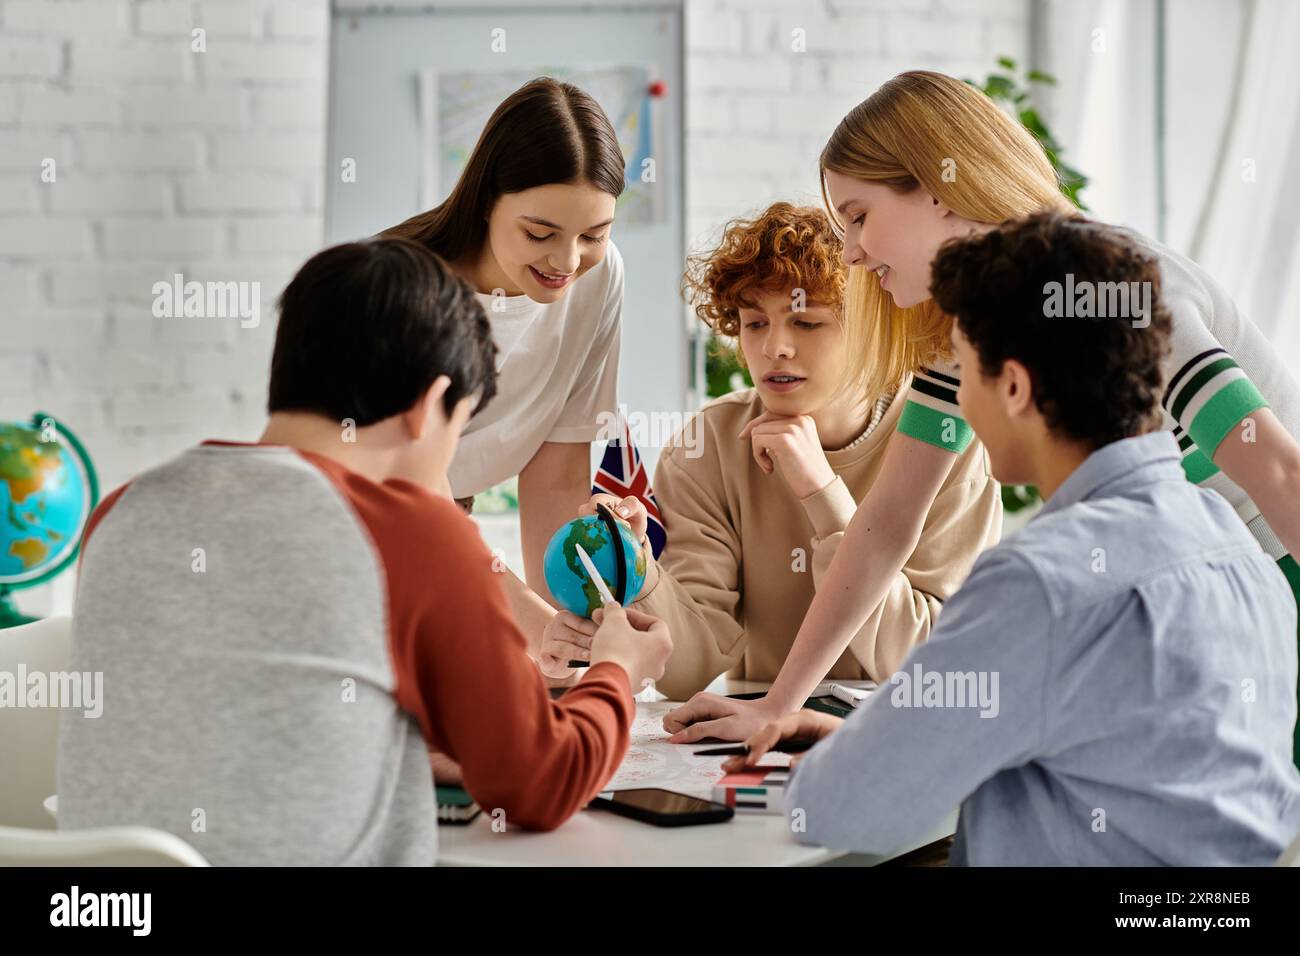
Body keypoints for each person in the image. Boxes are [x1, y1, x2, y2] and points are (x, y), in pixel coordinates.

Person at [665, 70, 1300, 752]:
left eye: (858, 217)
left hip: (1271, 579)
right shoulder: (970, 323)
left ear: (936, 191)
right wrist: (778, 706)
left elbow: (1279, 474)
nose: (850, 251)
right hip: (1189, 607)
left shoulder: (1117, 288)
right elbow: (884, 527)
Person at [58, 238, 670, 865]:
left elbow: (234, 711)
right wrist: (618, 669)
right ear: (429, 406)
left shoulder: (122, 511)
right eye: (458, 429)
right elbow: (541, 784)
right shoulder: (412, 533)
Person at [730, 212, 1300, 865]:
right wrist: (892, 736)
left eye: (965, 372)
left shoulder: (1040, 582)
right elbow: (1132, 770)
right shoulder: (1238, 548)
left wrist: (858, 758)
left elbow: (835, 808)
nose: (958, 406)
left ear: (1014, 388)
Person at [538, 203, 1000, 705]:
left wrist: (823, 495)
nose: (775, 347)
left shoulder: (947, 440)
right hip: (757, 732)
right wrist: (640, 569)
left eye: (806, 323)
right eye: (755, 323)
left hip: (900, 728)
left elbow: (932, 663)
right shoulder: (709, 446)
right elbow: (687, 671)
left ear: (870, 324)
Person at [383, 77, 628, 643]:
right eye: (540, 232)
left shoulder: (601, 277)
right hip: (375, 529)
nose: (566, 261)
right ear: (486, 200)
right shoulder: (402, 284)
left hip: (450, 536)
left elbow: (556, 479)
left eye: (594, 234)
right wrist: (537, 631)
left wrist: (572, 635)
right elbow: (418, 503)